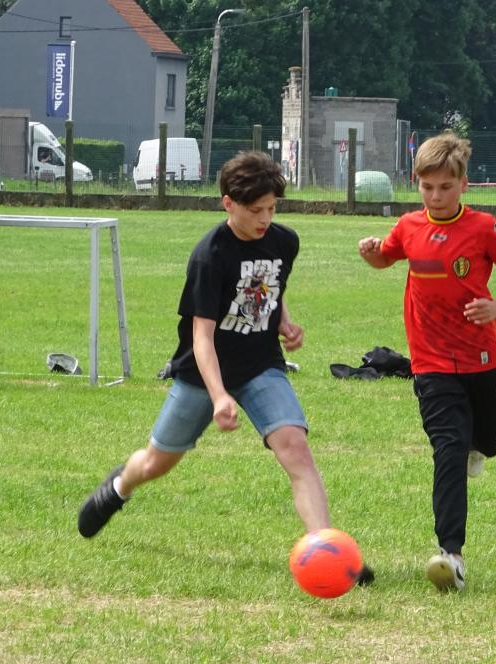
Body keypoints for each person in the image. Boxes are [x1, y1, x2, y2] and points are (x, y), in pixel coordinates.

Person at [78, 151, 373, 585]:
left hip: (260, 365)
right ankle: (119, 486)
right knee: (158, 462)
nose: (265, 219)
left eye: (272, 208)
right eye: (256, 210)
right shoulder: (209, 256)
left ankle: (325, 548)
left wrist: (286, 321)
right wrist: (218, 396)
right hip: (203, 372)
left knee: (295, 446)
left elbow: (272, 286)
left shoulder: (284, 241)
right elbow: (202, 337)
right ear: (228, 203)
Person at [357, 132, 496, 592]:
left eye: (444, 187)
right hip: (431, 363)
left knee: (486, 443)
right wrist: (373, 253)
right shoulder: (410, 226)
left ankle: (480, 446)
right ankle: (450, 554)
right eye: (426, 187)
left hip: (483, 360)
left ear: (463, 185)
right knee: (448, 450)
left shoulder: (484, 229)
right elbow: (387, 259)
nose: (435, 196)